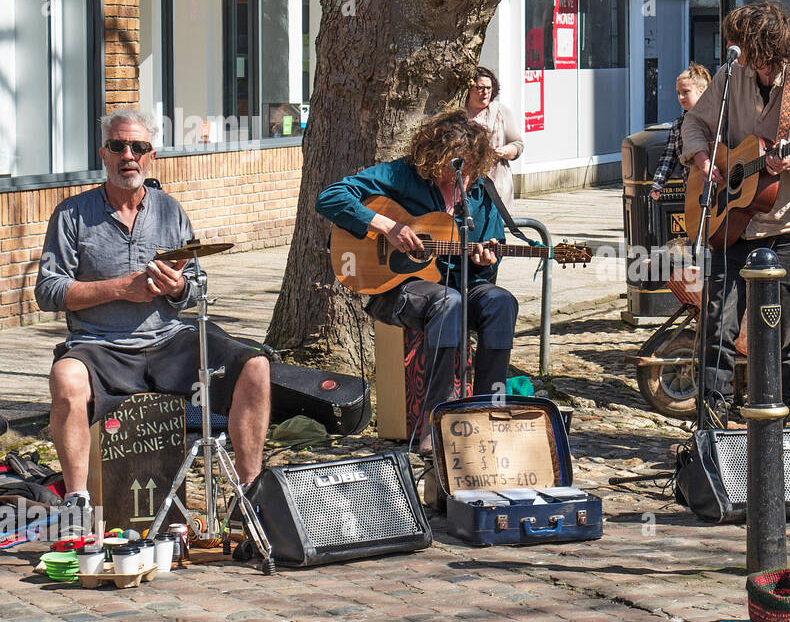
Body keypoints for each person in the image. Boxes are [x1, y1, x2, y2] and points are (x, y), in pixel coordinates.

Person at [36, 109, 272, 528]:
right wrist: (119, 288)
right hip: (99, 346)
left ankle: (248, 496)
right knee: (65, 379)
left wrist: (178, 288)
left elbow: (197, 283)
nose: (129, 155)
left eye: (139, 147)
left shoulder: (169, 210)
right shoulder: (72, 215)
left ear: (152, 156)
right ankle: (77, 501)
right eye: (119, 146)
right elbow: (48, 291)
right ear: (103, 154)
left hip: (169, 341)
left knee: (255, 365)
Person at [316, 107, 519, 433]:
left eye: (467, 167)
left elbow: (488, 260)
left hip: (461, 285)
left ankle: (488, 411)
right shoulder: (402, 176)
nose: (460, 176)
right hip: (399, 289)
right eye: (453, 165)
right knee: (446, 302)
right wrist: (385, 225)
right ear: (434, 155)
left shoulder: (481, 193)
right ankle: (435, 420)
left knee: (501, 302)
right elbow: (330, 197)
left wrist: (485, 260)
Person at [680, 0, 790, 419]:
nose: (736, 49)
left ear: (765, 46)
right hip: (731, 224)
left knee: (781, 332)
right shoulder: (730, 75)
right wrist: (705, 161)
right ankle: (713, 414)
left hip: (787, 221)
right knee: (717, 321)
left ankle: (777, 418)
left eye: (743, 44)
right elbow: (696, 124)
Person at [649, 63, 712, 200]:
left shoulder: (716, 118)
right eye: (678, 93)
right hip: (692, 188)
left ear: (701, 91)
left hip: (717, 185)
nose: (681, 97)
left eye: (686, 92)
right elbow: (669, 157)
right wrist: (658, 185)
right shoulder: (679, 124)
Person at [465, 66, 525, 210]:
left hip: (496, 184)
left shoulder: (500, 111)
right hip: (465, 184)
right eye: (480, 88)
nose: (485, 92)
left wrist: (504, 151)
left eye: (489, 88)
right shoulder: (459, 113)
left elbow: (518, 145)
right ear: (468, 89)